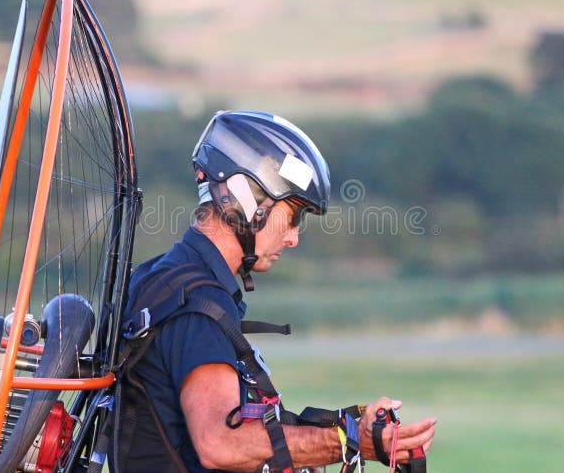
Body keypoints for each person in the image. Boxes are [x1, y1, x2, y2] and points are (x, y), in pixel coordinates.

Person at [114, 110, 436, 473]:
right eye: (293, 217)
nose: (294, 237)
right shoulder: (198, 306)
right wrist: (346, 442)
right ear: (247, 200)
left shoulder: (163, 276)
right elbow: (221, 443)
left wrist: (341, 429)